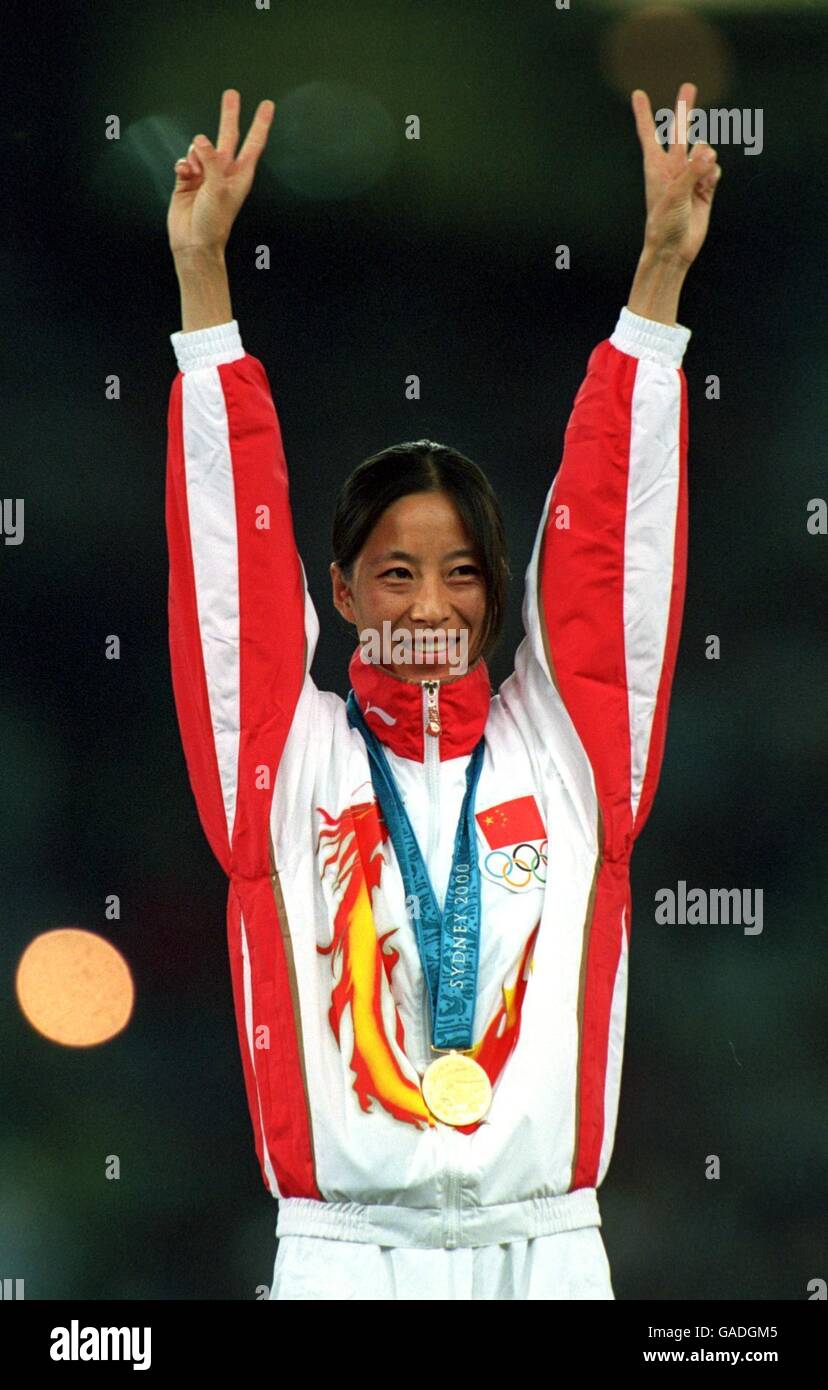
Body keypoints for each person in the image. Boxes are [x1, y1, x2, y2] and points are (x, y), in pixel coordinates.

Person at [164, 85, 721, 1300]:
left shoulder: (570, 760)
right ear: (344, 593)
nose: (430, 607)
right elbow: (228, 580)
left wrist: (657, 292)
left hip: (553, 1247)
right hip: (343, 1256)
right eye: (396, 574)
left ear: (495, 593)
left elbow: (607, 561)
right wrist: (204, 295)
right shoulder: (283, 767)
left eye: (463, 574)